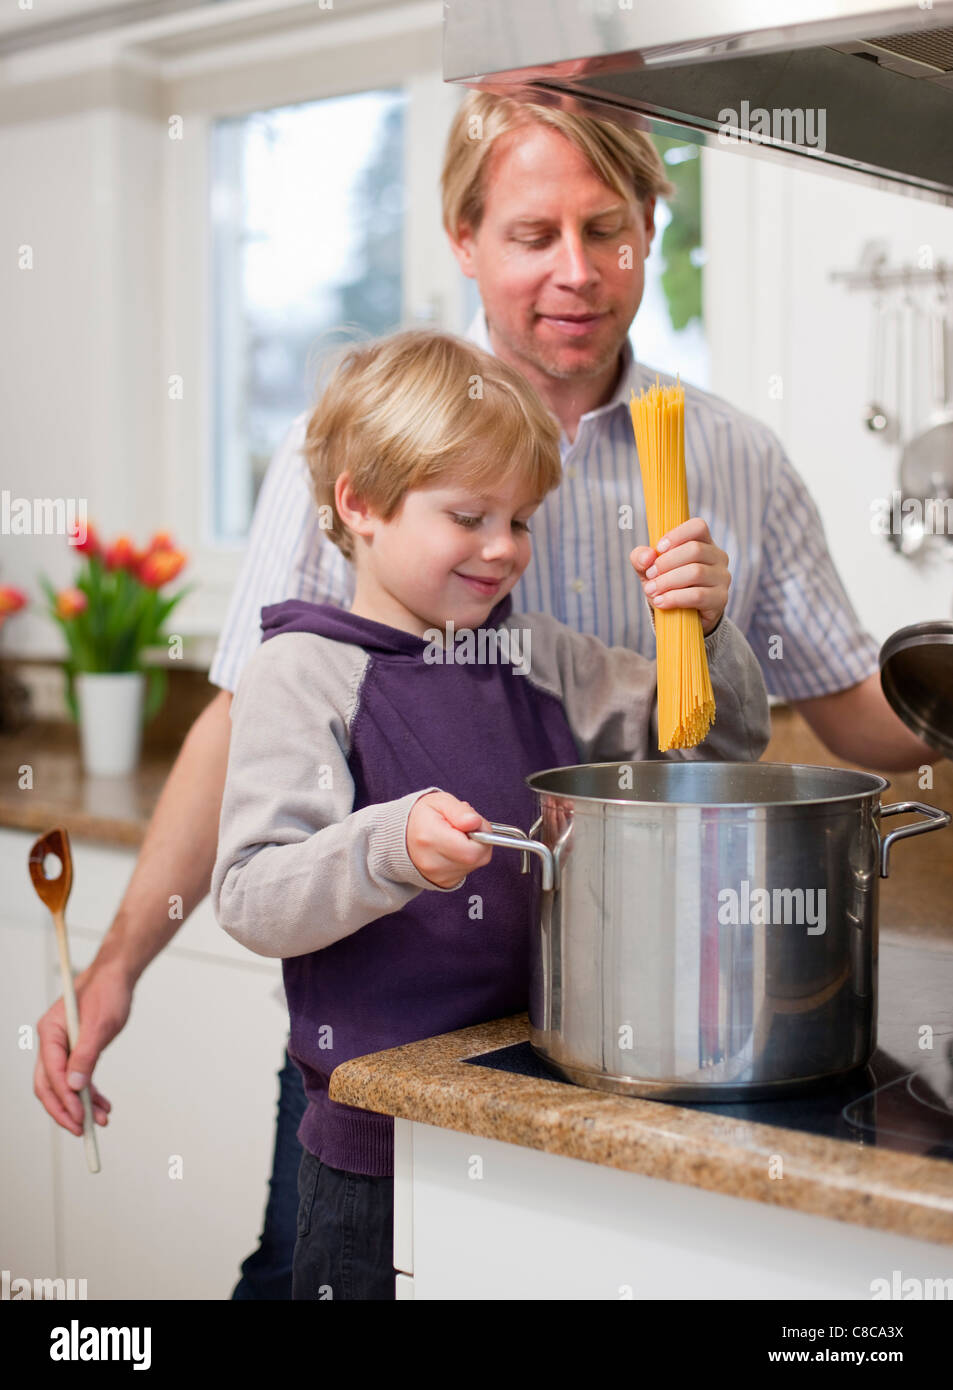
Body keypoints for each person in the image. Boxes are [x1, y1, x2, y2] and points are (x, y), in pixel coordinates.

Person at [33, 88, 936, 1300]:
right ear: (464, 240)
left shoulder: (720, 469)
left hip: (583, 1024)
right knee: (304, 1268)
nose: (575, 270)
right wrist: (116, 967)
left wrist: (710, 626)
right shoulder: (360, 443)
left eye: (606, 229)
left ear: (651, 229)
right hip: (372, 1062)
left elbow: (743, 729)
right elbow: (244, 735)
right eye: (531, 234)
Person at [210, 328, 772, 1300]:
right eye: (469, 515)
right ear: (358, 504)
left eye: (519, 520)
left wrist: (706, 630)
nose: (503, 547)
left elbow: (712, 748)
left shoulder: (541, 657)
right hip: (374, 1142)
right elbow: (253, 895)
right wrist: (386, 844)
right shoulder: (300, 672)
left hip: (525, 1113)